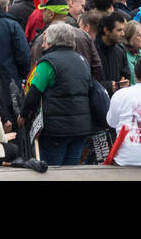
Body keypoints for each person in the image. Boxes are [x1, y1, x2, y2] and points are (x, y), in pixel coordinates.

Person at [19, 22, 93, 166]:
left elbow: (33, 93)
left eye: (45, 40)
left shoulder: (47, 63)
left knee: (52, 170)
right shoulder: (82, 60)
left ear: (52, 40)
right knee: (71, 170)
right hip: (81, 128)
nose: (42, 45)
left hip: (56, 129)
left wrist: (23, 114)